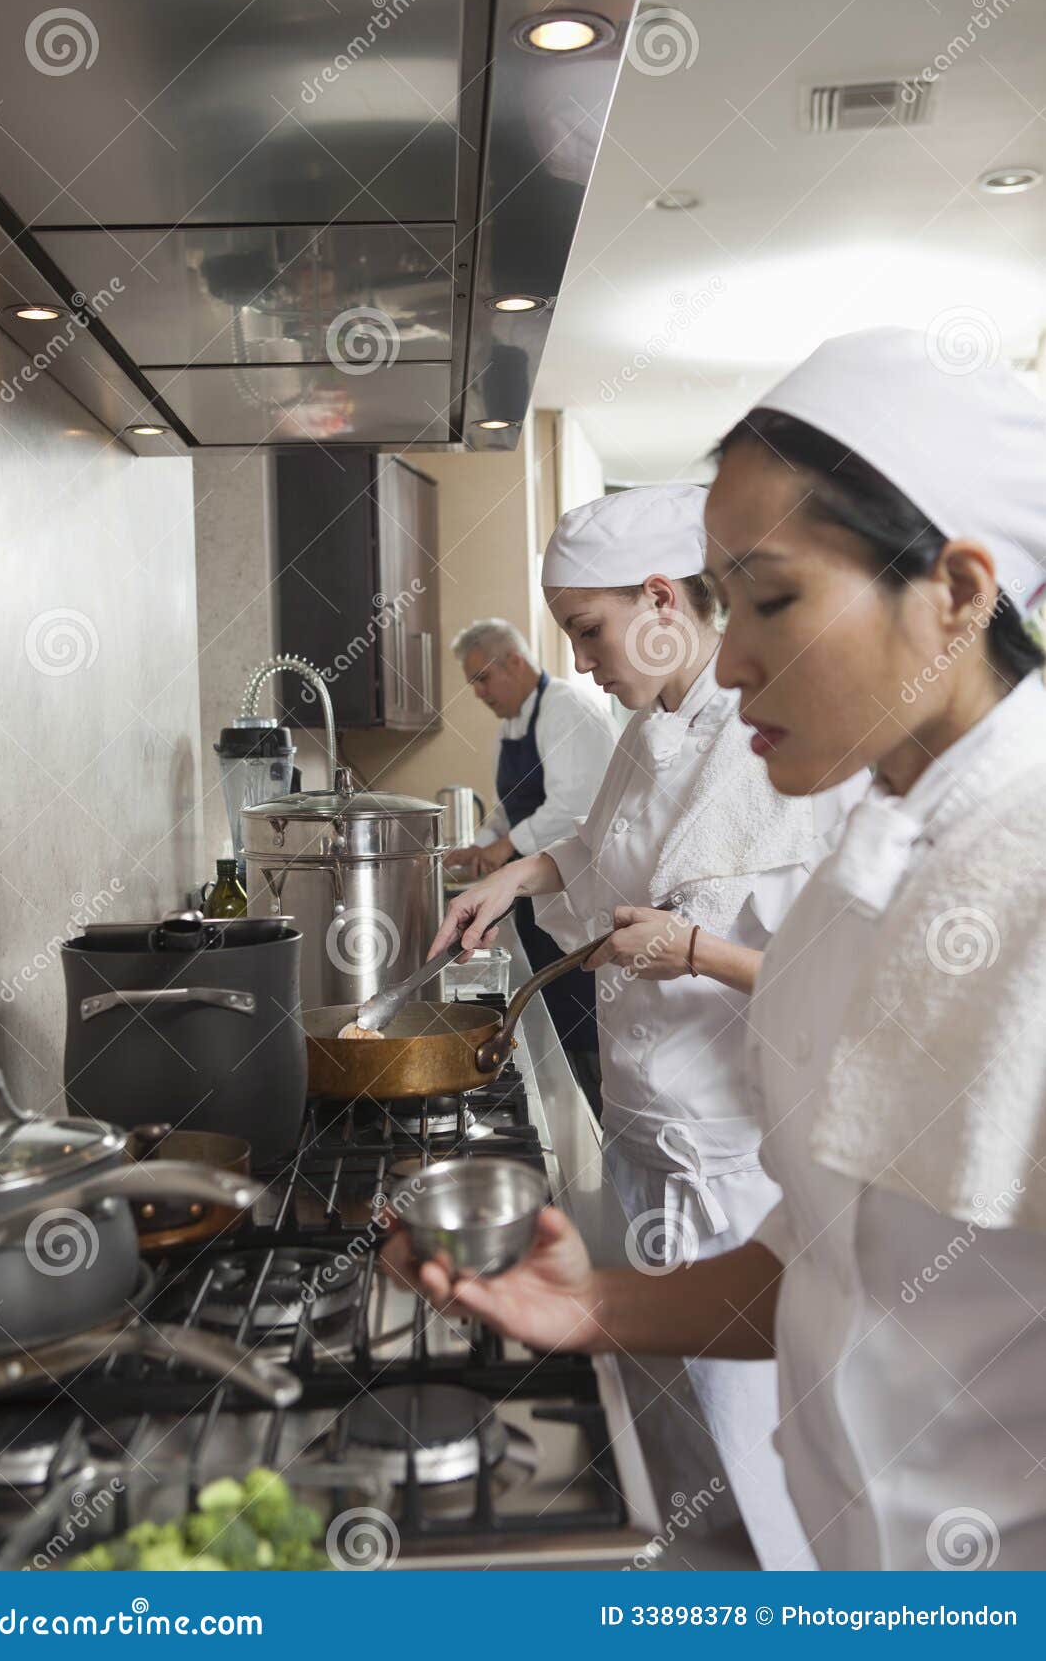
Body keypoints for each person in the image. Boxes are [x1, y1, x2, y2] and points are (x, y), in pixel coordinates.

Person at [386, 327, 1046, 1571]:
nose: (728, 658)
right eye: (722, 598)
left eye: (774, 597)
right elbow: (822, 1252)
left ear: (955, 595)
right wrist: (592, 1303)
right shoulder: (873, 861)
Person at [429, 490, 867, 1570]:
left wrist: (693, 952)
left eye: (586, 629)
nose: (578, 663)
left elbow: (848, 990)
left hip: (741, 1183)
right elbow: (596, 851)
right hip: (649, 1157)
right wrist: (523, 874)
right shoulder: (642, 734)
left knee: (765, 1480)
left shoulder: (779, 751)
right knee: (685, 1466)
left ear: (661, 598)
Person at [447, 618, 619, 1114]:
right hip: (536, 894)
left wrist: (504, 851)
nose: (478, 692)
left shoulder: (565, 708)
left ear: (515, 662)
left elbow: (574, 806)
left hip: (576, 894)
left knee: (581, 1016)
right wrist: (479, 846)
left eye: (482, 678)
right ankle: (574, 1105)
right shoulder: (515, 721)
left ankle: (594, 1116)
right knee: (555, 1012)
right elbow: (512, 804)